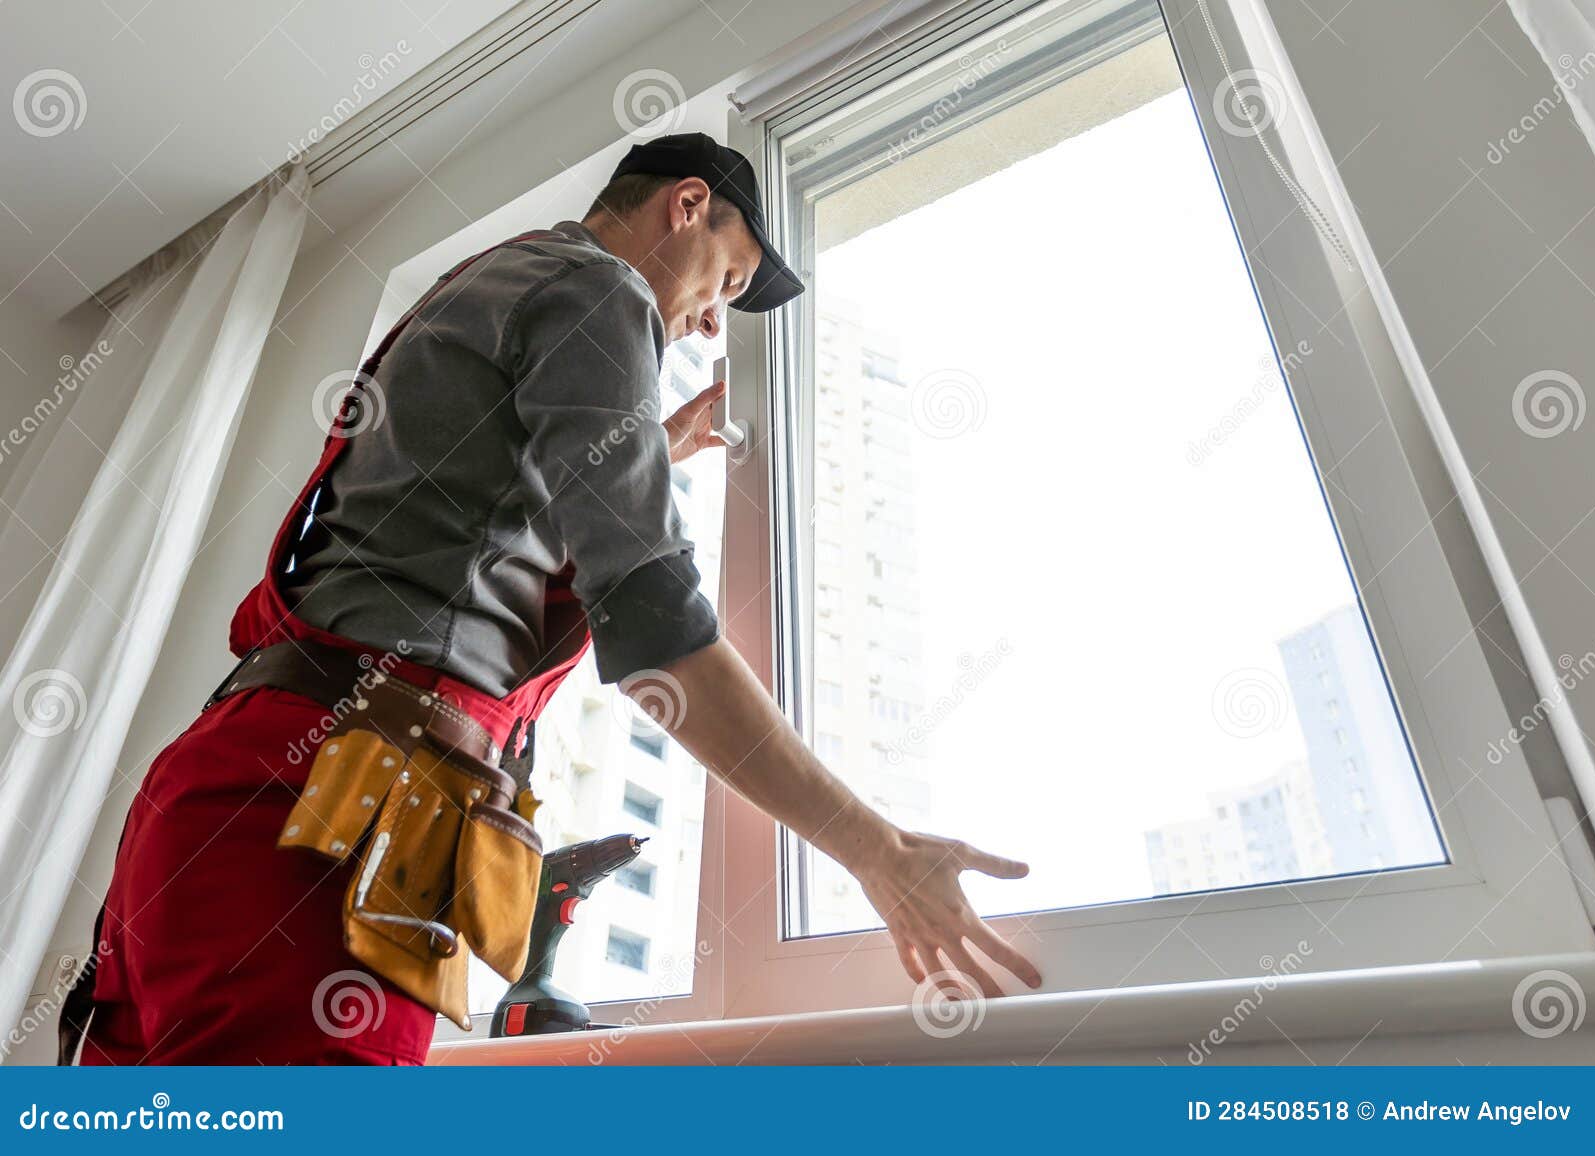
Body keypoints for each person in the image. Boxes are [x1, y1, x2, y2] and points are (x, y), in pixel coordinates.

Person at [70, 133, 1039, 1066]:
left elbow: (464, 514)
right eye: (728, 281)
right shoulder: (600, 286)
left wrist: (644, 445)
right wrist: (879, 849)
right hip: (328, 817)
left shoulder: (499, 280)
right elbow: (657, 626)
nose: (712, 320)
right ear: (686, 204)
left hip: (224, 799)